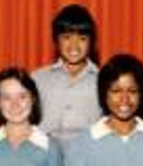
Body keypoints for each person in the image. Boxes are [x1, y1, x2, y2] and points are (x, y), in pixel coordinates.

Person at [33, 4, 102, 151]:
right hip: (44, 157)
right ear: (56, 40)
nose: (74, 46)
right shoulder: (38, 79)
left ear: (91, 42)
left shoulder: (103, 80)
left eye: (82, 38)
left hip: (87, 158)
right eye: (67, 37)